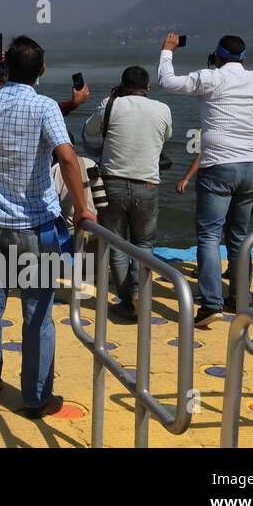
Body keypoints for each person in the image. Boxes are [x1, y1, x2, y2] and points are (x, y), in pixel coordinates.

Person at [0, 35, 95, 419]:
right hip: (34, 227)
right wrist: (85, 209)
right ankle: (36, 398)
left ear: (4, 67)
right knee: (37, 313)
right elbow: (68, 157)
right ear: (41, 70)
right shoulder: (44, 108)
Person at [158, 33, 253, 327]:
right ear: (244, 57)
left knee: (209, 236)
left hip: (219, 166)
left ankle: (211, 304)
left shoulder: (210, 78)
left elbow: (167, 83)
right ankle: (240, 298)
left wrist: (168, 51)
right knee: (240, 237)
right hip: (252, 166)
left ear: (217, 56)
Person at [80, 66, 173, 321]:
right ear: (148, 87)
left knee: (117, 243)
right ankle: (139, 292)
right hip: (148, 185)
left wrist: (111, 102)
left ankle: (126, 301)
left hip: (113, 183)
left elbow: (88, 132)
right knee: (143, 243)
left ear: (121, 85)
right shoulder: (162, 109)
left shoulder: (110, 105)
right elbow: (165, 137)